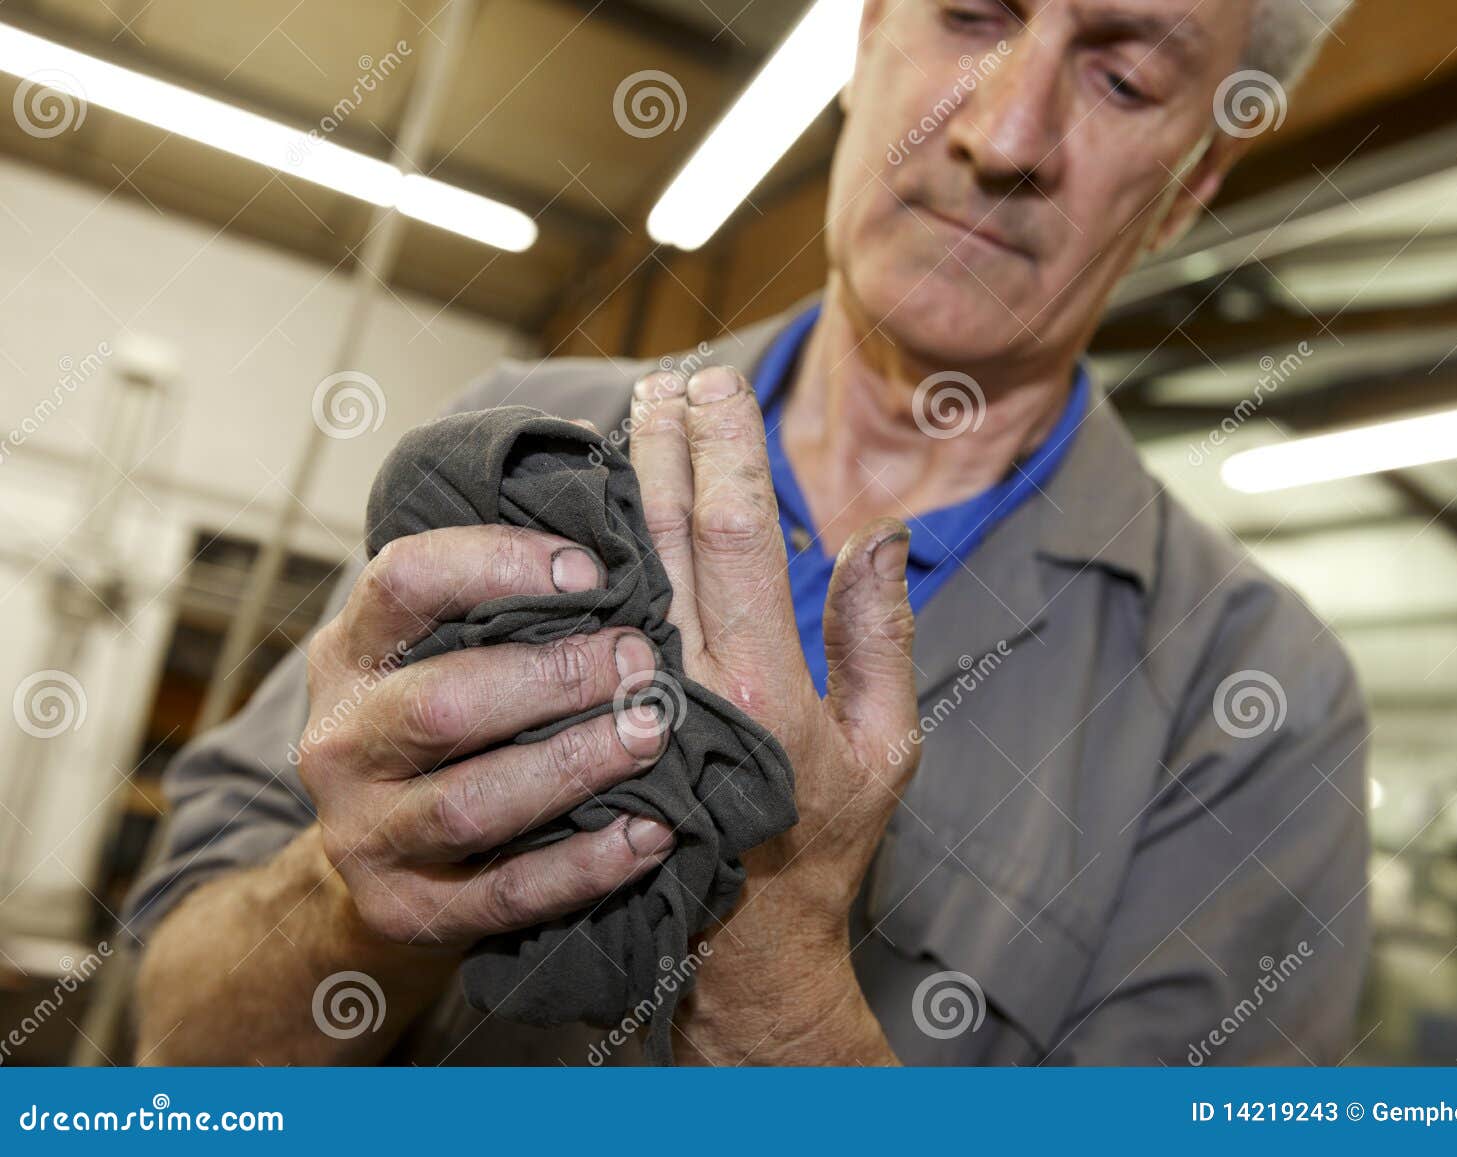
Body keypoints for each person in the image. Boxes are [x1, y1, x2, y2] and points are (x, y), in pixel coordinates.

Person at [129, 0, 1369, 1066]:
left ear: (1189, 185)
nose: (1002, 136)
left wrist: (778, 990)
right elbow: (178, 1039)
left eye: (1123, 78)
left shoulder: (1254, 699)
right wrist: (355, 895)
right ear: (865, 33)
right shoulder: (515, 451)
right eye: (969, 13)